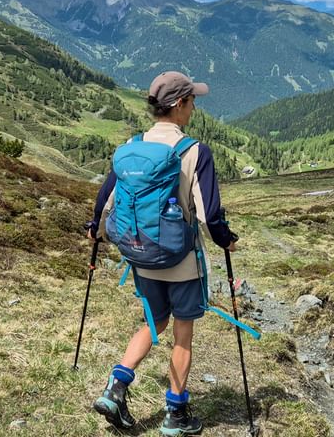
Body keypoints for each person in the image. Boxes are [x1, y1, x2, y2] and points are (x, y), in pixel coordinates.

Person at [86, 71, 238, 436]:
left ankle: (115, 388)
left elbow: (106, 199)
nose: (194, 108)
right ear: (179, 104)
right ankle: (176, 414)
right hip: (181, 262)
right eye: (192, 101)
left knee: (154, 322)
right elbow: (209, 215)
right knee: (182, 335)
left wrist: (95, 231)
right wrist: (227, 240)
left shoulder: (131, 147)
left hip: (141, 257)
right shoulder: (194, 152)